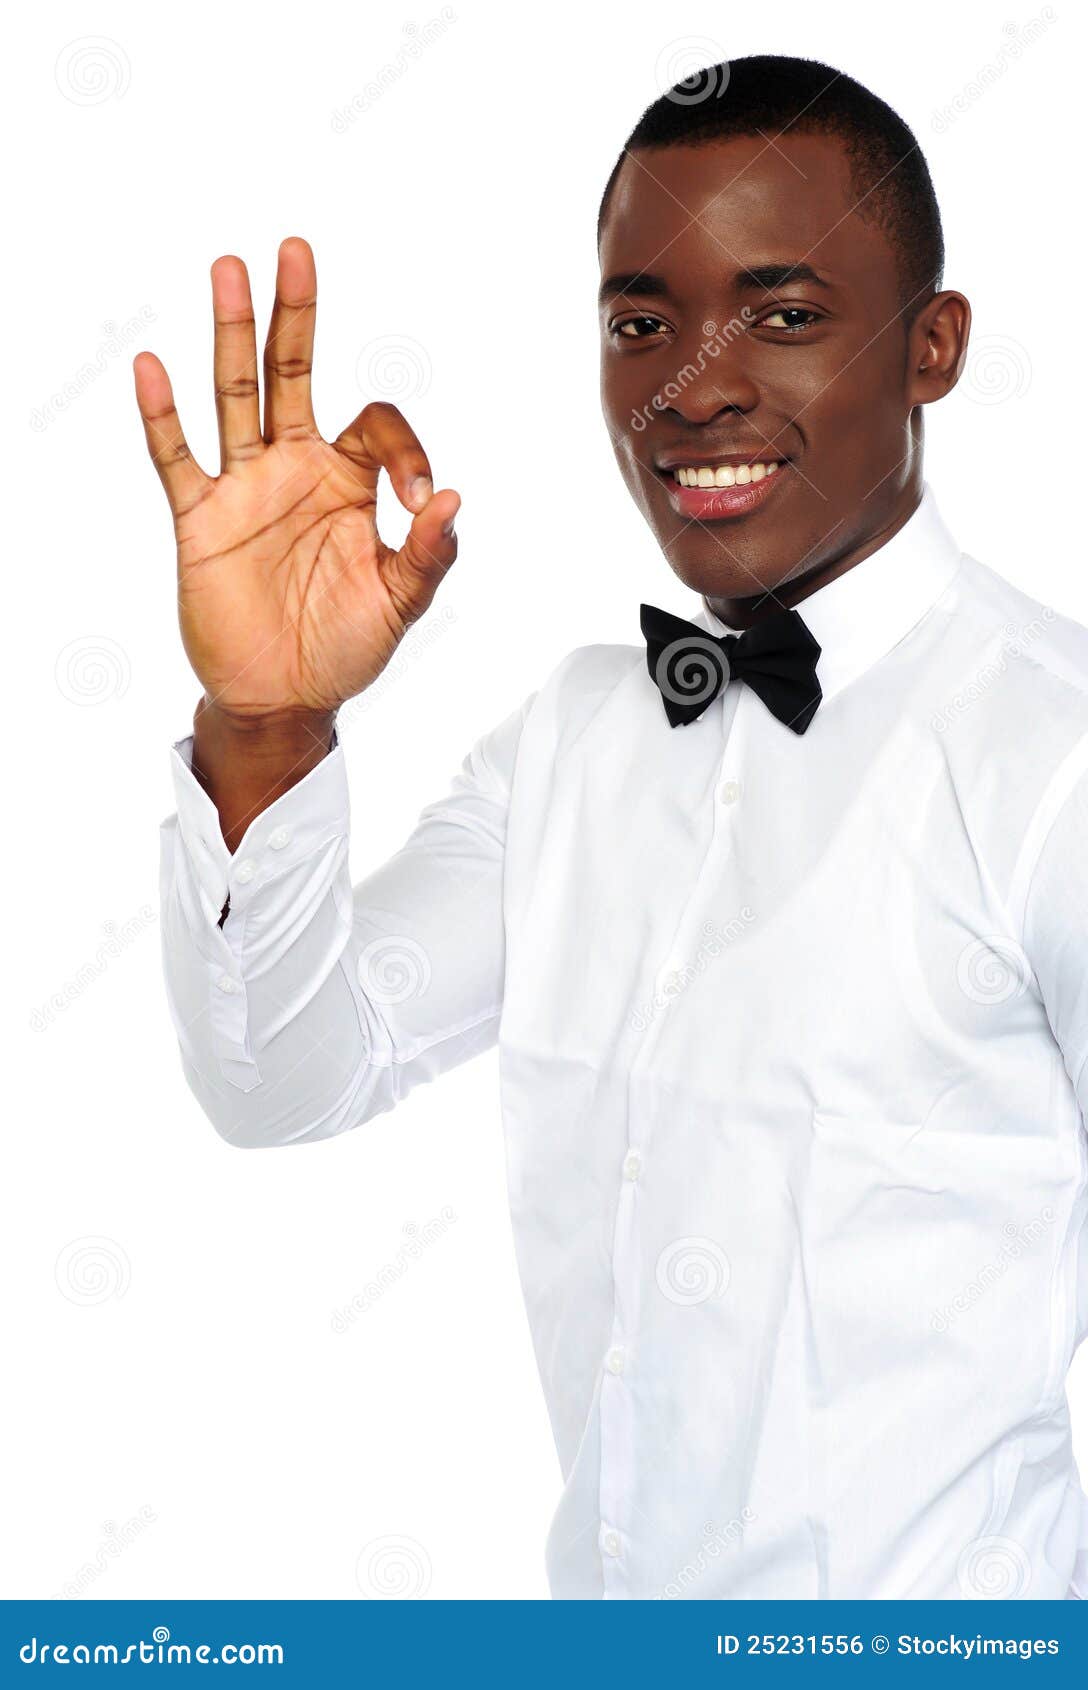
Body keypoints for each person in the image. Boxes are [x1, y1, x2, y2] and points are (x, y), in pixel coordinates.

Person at [139, 55, 1088, 1600]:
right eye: (641, 322)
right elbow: (279, 1076)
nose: (692, 385)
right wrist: (267, 722)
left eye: (783, 315)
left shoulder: (1057, 755)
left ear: (934, 347)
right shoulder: (573, 738)